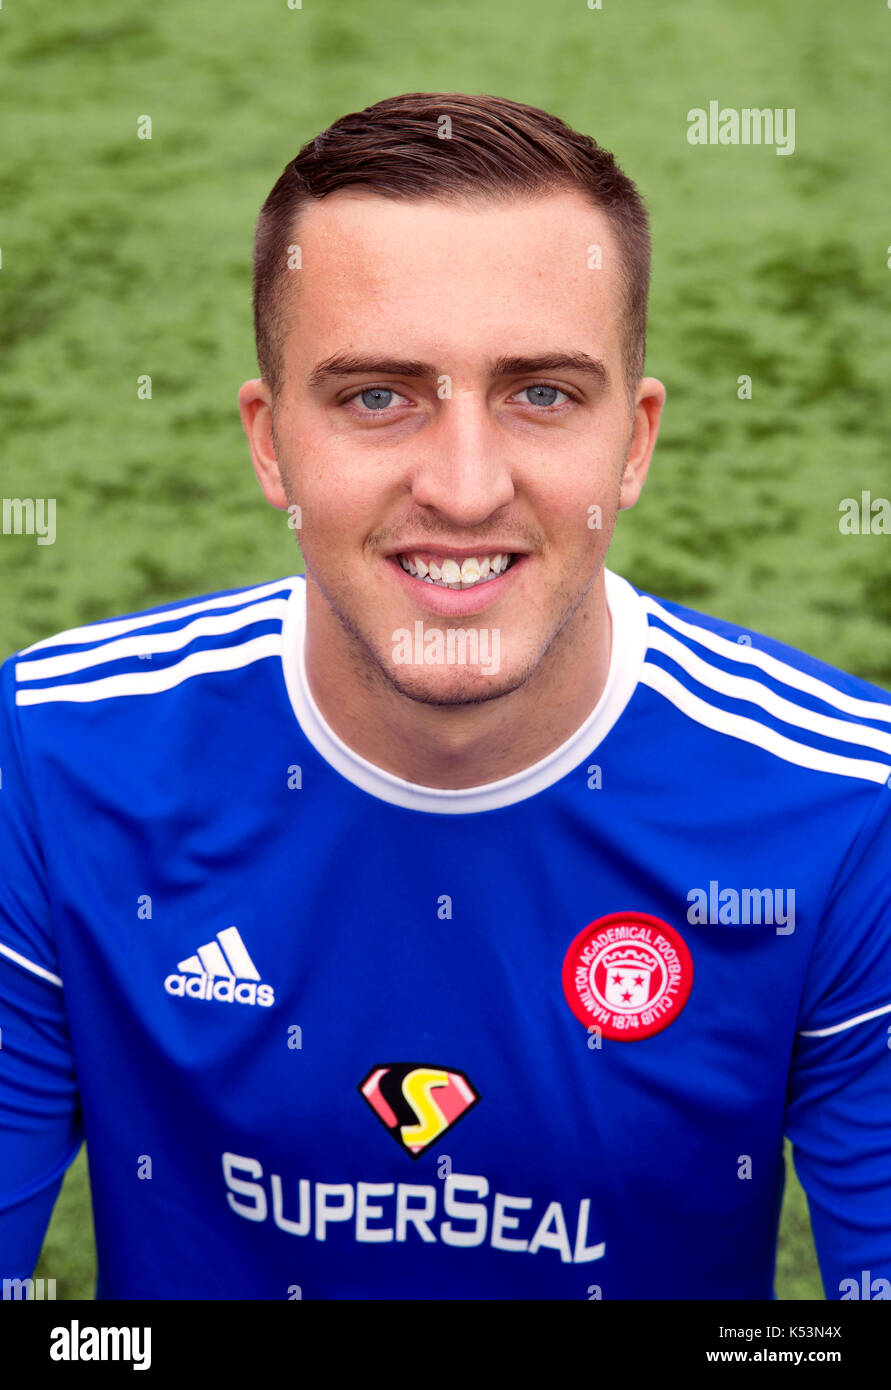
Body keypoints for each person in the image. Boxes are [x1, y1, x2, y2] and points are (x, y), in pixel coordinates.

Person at [1, 92, 889, 1301]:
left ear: (635, 442)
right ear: (269, 443)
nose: (465, 489)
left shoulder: (846, 814)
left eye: (541, 395)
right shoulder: (48, 767)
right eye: (378, 396)